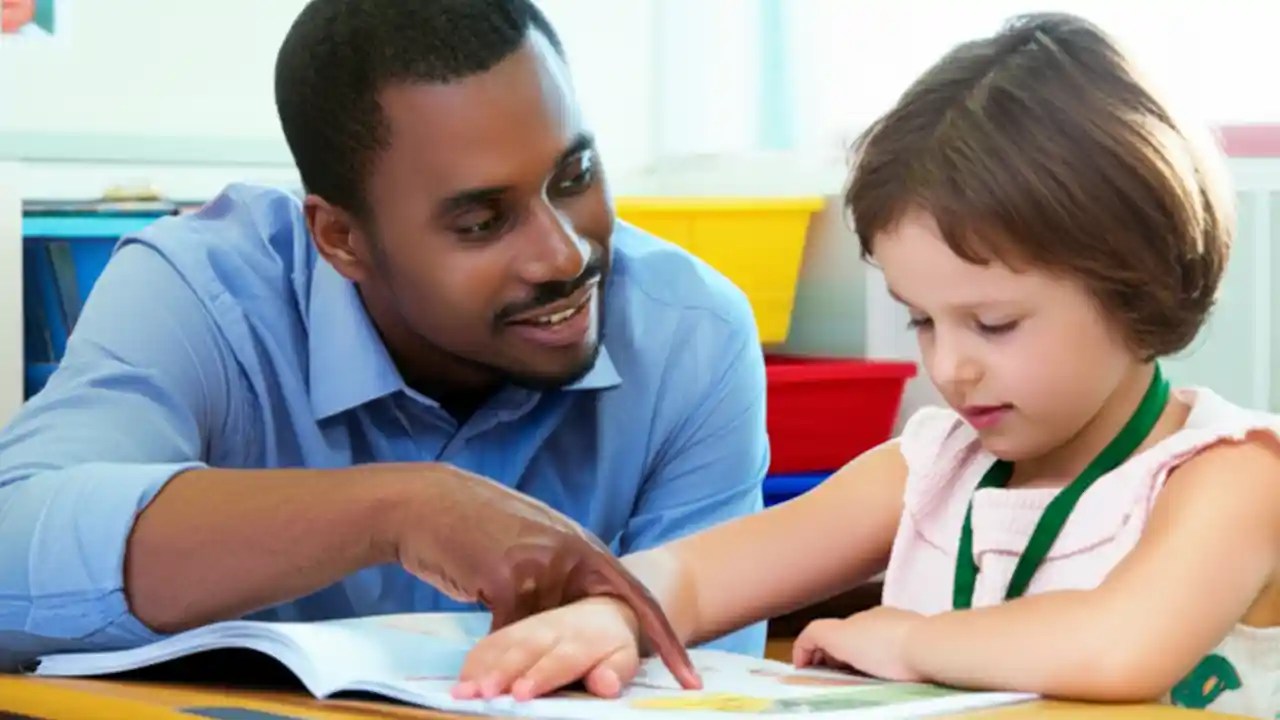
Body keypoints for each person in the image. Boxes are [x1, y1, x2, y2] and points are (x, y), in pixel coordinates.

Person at [453, 13, 1280, 717]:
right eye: (922, 319)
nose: (950, 368)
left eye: (994, 324)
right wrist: (614, 613)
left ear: (1138, 283)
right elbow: (705, 574)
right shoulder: (931, 467)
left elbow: (1120, 647)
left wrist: (915, 641)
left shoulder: (1229, 476)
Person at [0, 0, 772, 683]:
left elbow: (704, 674)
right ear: (340, 238)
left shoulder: (690, 336)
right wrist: (400, 510)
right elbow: (13, 542)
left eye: (573, 176)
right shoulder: (202, 295)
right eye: (481, 223)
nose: (564, 255)